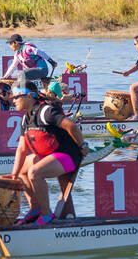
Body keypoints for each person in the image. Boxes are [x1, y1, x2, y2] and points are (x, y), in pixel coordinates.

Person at [9, 81, 87, 226]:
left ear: (29, 96)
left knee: (34, 172)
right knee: (21, 170)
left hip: (67, 155)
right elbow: (21, 149)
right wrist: (14, 175)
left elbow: (71, 126)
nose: (13, 101)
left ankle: (46, 215)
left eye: (16, 97)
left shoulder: (46, 111)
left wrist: (83, 145)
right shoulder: (25, 119)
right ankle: (35, 209)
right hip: (49, 155)